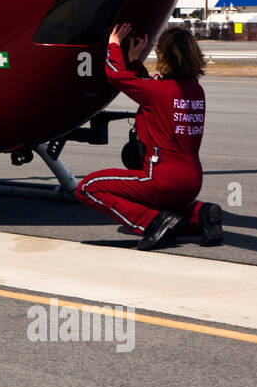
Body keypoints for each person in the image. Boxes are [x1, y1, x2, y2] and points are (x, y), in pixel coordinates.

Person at [74, 23, 224, 250]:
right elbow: (153, 91)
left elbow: (116, 75)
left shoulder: (157, 91)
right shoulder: (194, 90)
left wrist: (114, 45)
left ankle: (152, 223)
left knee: (88, 187)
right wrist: (134, 61)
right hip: (191, 181)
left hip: (160, 178)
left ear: (165, 57)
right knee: (168, 210)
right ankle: (200, 214)